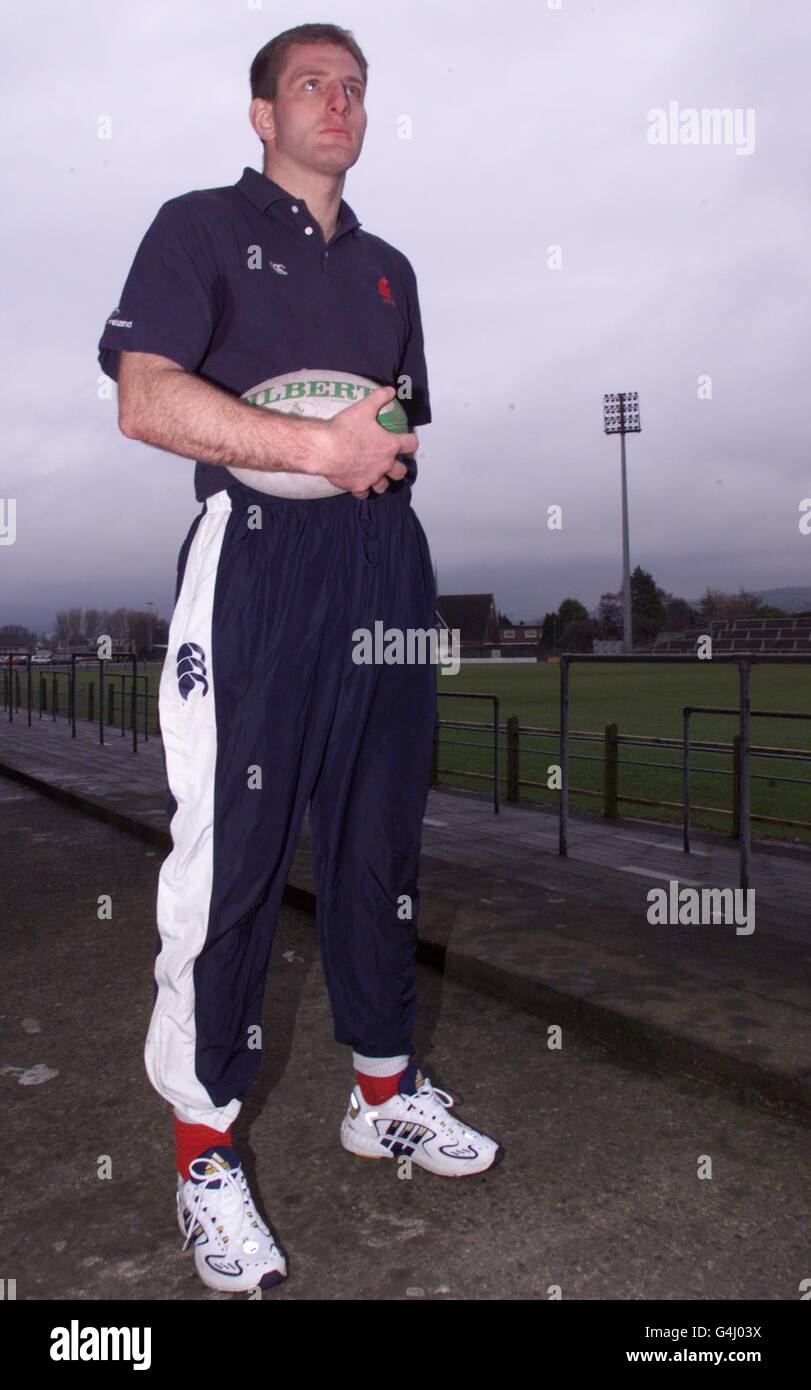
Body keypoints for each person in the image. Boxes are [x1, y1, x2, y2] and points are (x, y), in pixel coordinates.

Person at [97, 21, 502, 1296]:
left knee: (381, 844)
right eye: (312, 84)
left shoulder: (389, 271)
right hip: (259, 565)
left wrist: (368, 450)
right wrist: (311, 449)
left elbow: (395, 426)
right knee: (233, 860)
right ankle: (203, 1149)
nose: (339, 102)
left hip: (381, 564)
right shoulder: (200, 228)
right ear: (262, 114)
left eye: (356, 87)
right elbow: (145, 397)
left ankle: (382, 1093)